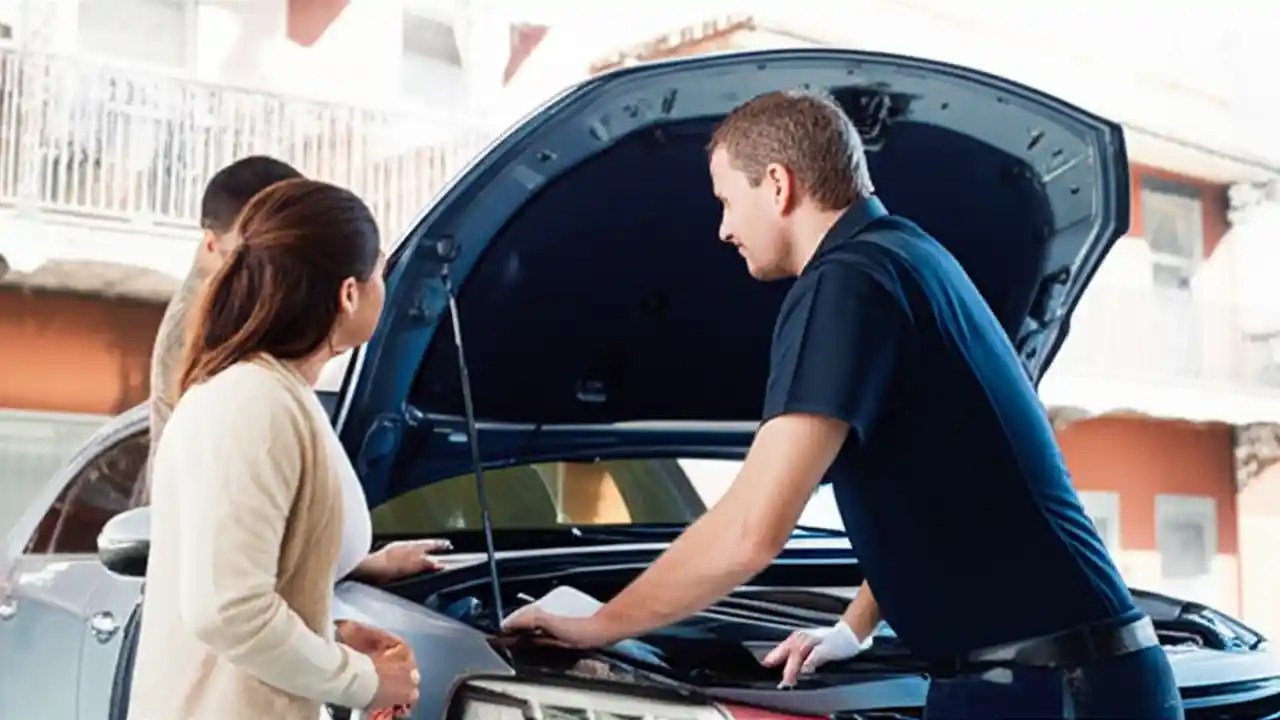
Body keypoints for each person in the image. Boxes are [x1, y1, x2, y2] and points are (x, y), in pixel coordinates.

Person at [502, 89, 1184, 719]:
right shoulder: (907, 258)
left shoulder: (845, 282)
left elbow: (750, 532)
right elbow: (941, 485)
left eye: (725, 201)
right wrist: (853, 627)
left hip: (1051, 691)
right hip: (1072, 679)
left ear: (777, 185)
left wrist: (598, 625)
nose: (721, 229)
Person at [128, 179, 420, 719]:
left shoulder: (278, 396)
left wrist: (332, 639)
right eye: (379, 270)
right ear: (348, 293)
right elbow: (229, 610)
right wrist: (362, 681)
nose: (388, 286)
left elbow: (256, 583)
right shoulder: (252, 402)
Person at [139, 154, 450, 582]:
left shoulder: (279, 384)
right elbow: (235, 597)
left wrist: (355, 565)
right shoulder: (247, 396)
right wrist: (346, 654)